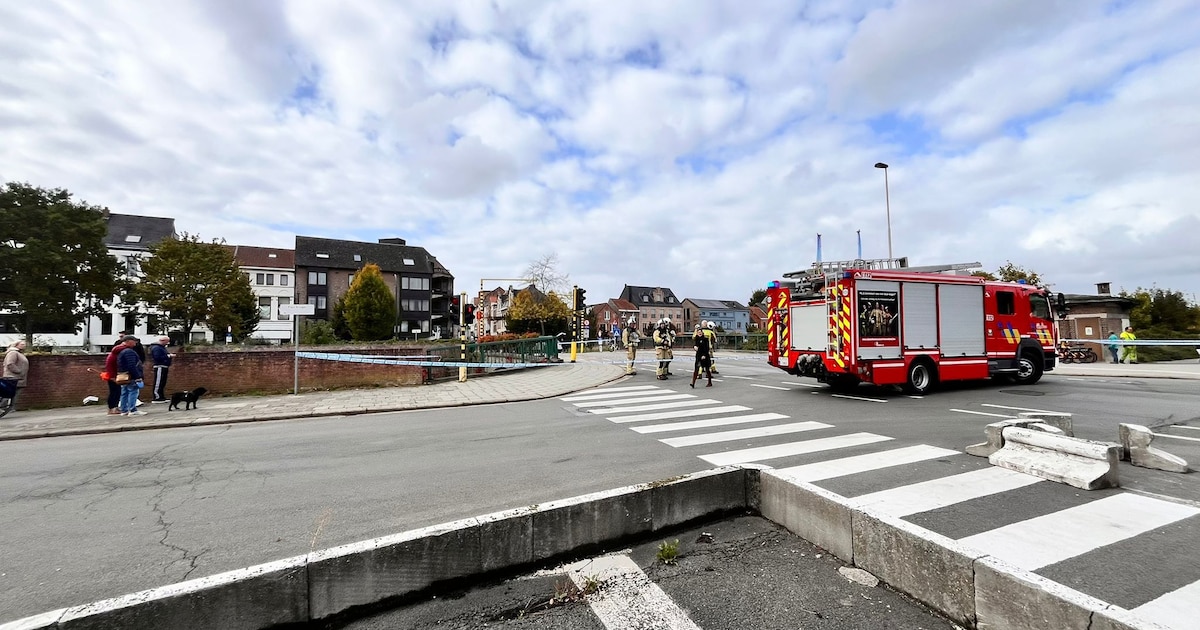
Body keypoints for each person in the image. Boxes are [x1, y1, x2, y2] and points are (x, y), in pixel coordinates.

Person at [116, 335, 147, 416]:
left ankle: (124, 410)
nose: (136, 342)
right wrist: (137, 377)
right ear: (128, 341)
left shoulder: (121, 351)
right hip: (131, 376)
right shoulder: (129, 352)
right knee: (133, 392)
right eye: (134, 341)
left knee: (124, 393)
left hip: (124, 375)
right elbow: (132, 365)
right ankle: (133, 410)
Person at [102, 338, 129, 415]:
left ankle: (112, 408)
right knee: (115, 392)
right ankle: (113, 408)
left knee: (115, 392)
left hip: (112, 375)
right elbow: (111, 367)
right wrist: (113, 377)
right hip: (113, 376)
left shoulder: (112, 355)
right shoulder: (115, 356)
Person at [3, 340, 29, 412]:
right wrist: (19, 371)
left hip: (19, 378)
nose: (24, 345)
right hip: (13, 377)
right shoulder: (13, 353)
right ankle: (3, 407)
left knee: (15, 394)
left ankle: (10, 408)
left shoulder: (19, 353)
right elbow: (10, 364)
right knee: (8, 393)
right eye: (22, 344)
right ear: (16, 345)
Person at [149, 336, 174, 403]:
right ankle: (157, 397)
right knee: (158, 382)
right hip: (159, 366)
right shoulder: (156, 348)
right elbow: (157, 357)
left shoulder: (161, 348)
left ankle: (161, 397)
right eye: (167, 341)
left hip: (164, 366)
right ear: (163, 340)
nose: (167, 343)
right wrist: (169, 356)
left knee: (162, 382)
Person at [691, 324, 713, 388]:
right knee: (696, 369)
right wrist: (694, 347)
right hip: (698, 356)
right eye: (698, 332)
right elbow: (696, 345)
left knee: (707, 369)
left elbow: (706, 348)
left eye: (700, 332)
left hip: (704, 356)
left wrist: (704, 355)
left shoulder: (705, 339)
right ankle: (693, 383)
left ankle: (709, 382)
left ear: (702, 333)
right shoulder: (696, 339)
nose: (699, 333)